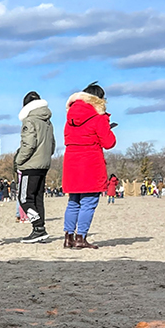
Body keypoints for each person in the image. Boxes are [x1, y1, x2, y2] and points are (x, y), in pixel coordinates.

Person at [62, 83, 117, 250]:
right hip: (90, 162)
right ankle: (81, 237)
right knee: (89, 202)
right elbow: (109, 142)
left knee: (73, 202)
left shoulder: (70, 118)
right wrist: (107, 126)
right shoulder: (98, 117)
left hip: (71, 161)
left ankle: (68, 237)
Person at [14, 91, 56, 242]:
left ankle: (38, 227)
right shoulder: (48, 122)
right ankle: (40, 229)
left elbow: (28, 144)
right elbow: (52, 145)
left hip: (30, 165)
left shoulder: (30, 121)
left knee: (24, 198)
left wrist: (19, 160)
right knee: (38, 198)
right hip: (44, 164)